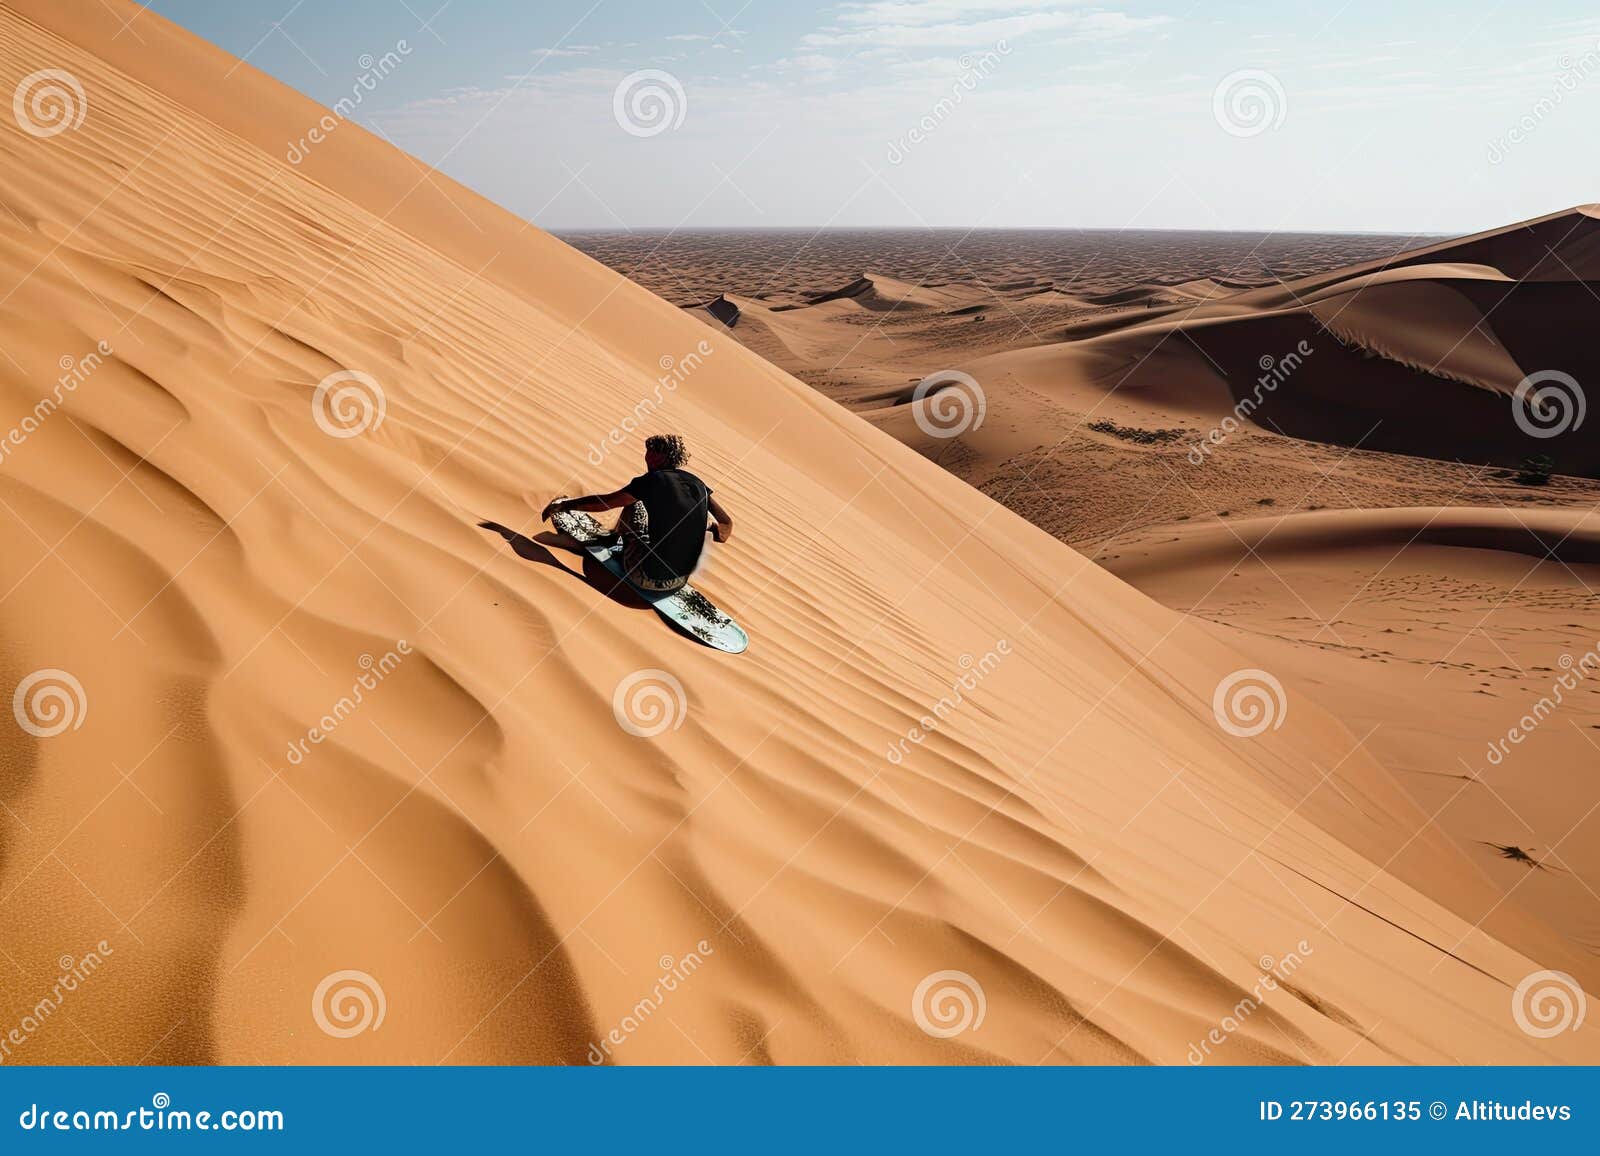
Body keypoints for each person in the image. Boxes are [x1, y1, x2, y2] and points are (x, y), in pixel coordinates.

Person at [541, 434, 732, 593]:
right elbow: (726, 527)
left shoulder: (652, 480)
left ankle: (612, 541)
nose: (647, 459)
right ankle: (631, 547)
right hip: (680, 582)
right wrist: (712, 528)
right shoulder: (697, 484)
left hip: (644, 576)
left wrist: (565, 505)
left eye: (651, 455)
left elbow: (606, 503)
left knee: (634, 504)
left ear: (660, 458)